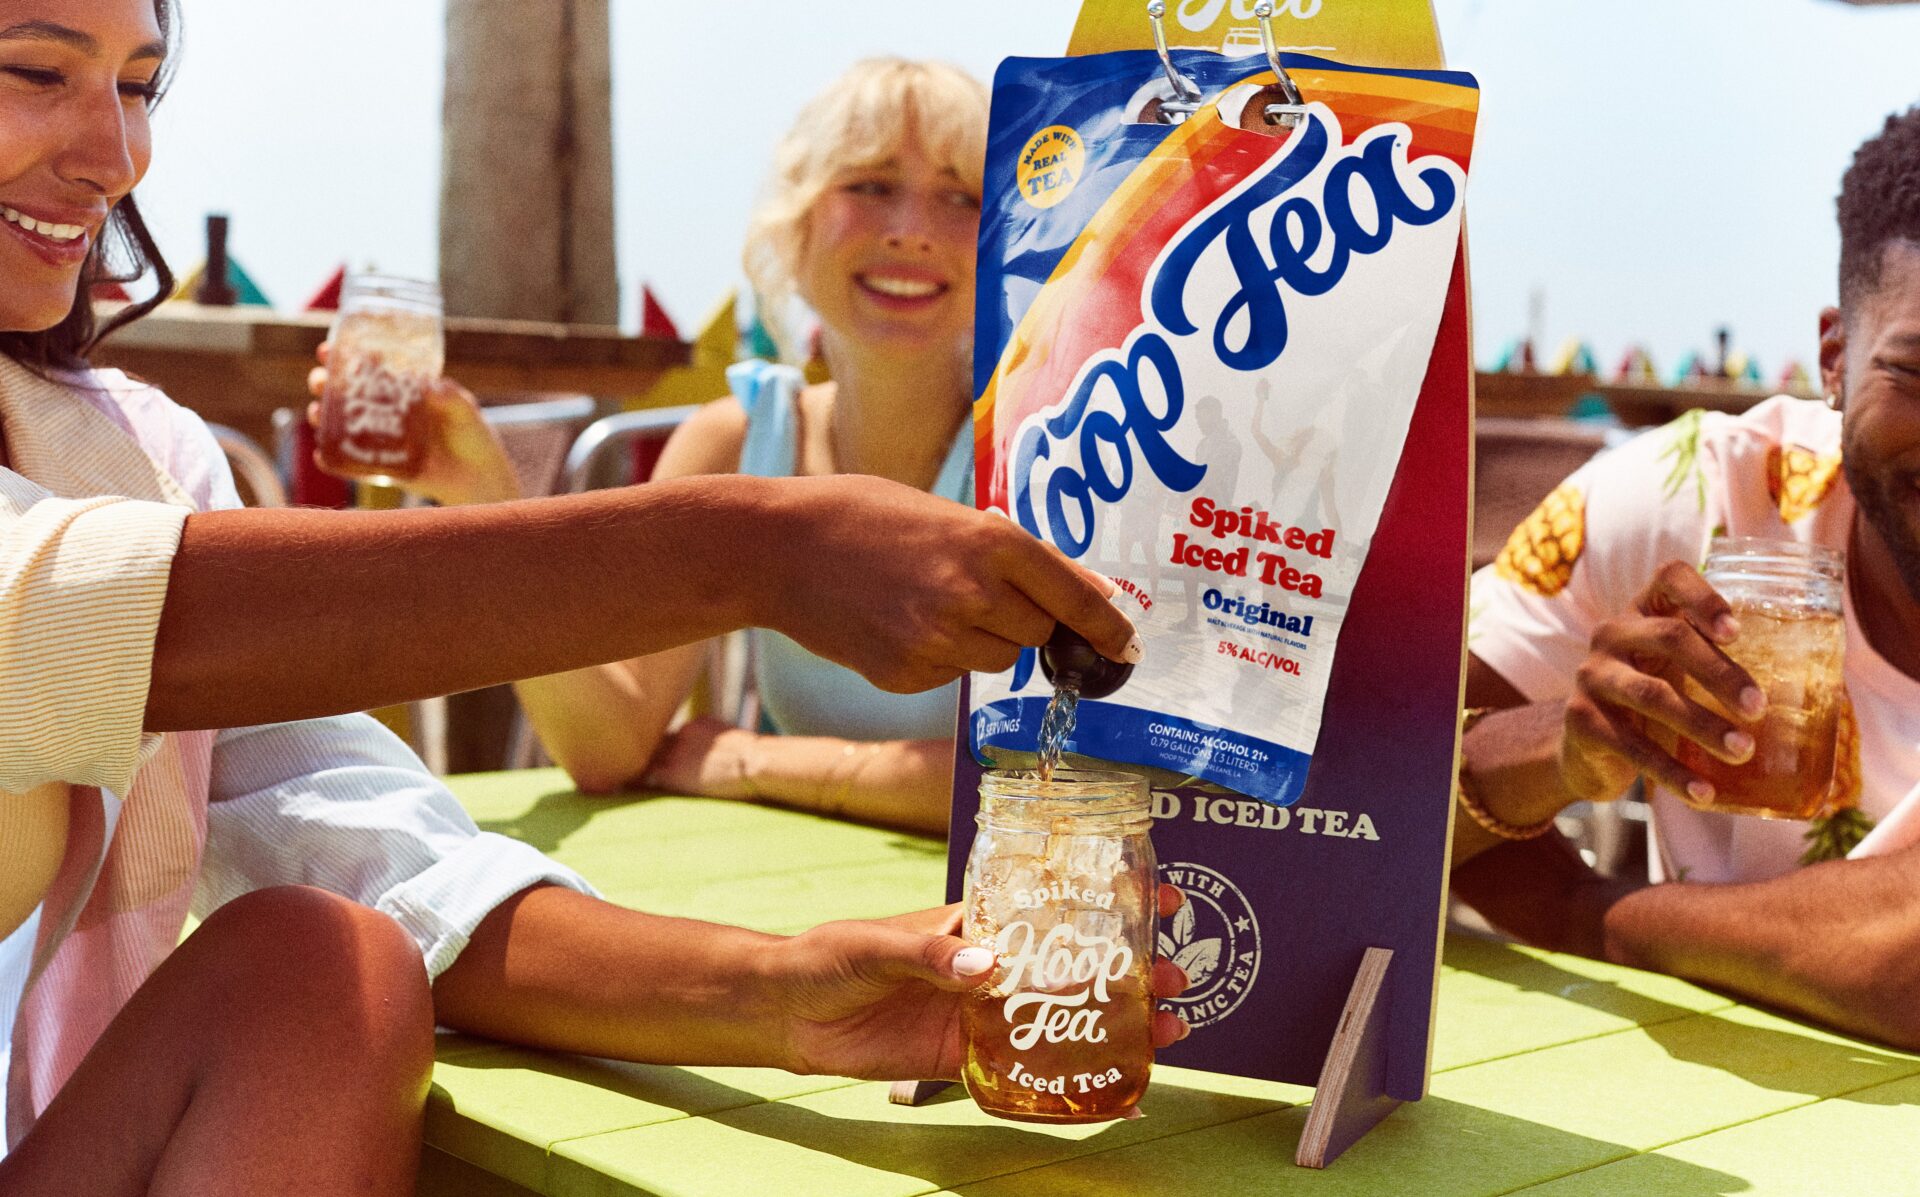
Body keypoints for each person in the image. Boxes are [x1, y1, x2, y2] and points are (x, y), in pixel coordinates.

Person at [0, 3, 1182, 1192]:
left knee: (320, 963)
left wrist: (789, 994)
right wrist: (752, 549)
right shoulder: (747, 442)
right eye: (36, 71)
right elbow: (80, 624)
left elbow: (373, 852)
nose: (116, 155)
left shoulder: (143, 458)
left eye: (140, 87)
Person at [318, 60, 1001, 834]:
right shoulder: (738, 440)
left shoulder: (1044, 455)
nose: (911, 228)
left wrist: (756, 761)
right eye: (871, 185)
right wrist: (485, 493)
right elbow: (610, 744)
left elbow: (1057, 774)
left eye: (962, 197)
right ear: (796, 226)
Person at [1451, 105, 1920, 1050]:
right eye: (1918, 375)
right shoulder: (1696, 500)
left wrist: (1594, 916)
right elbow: (1366, 794)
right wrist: (1565, 745)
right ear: (1834, 358)